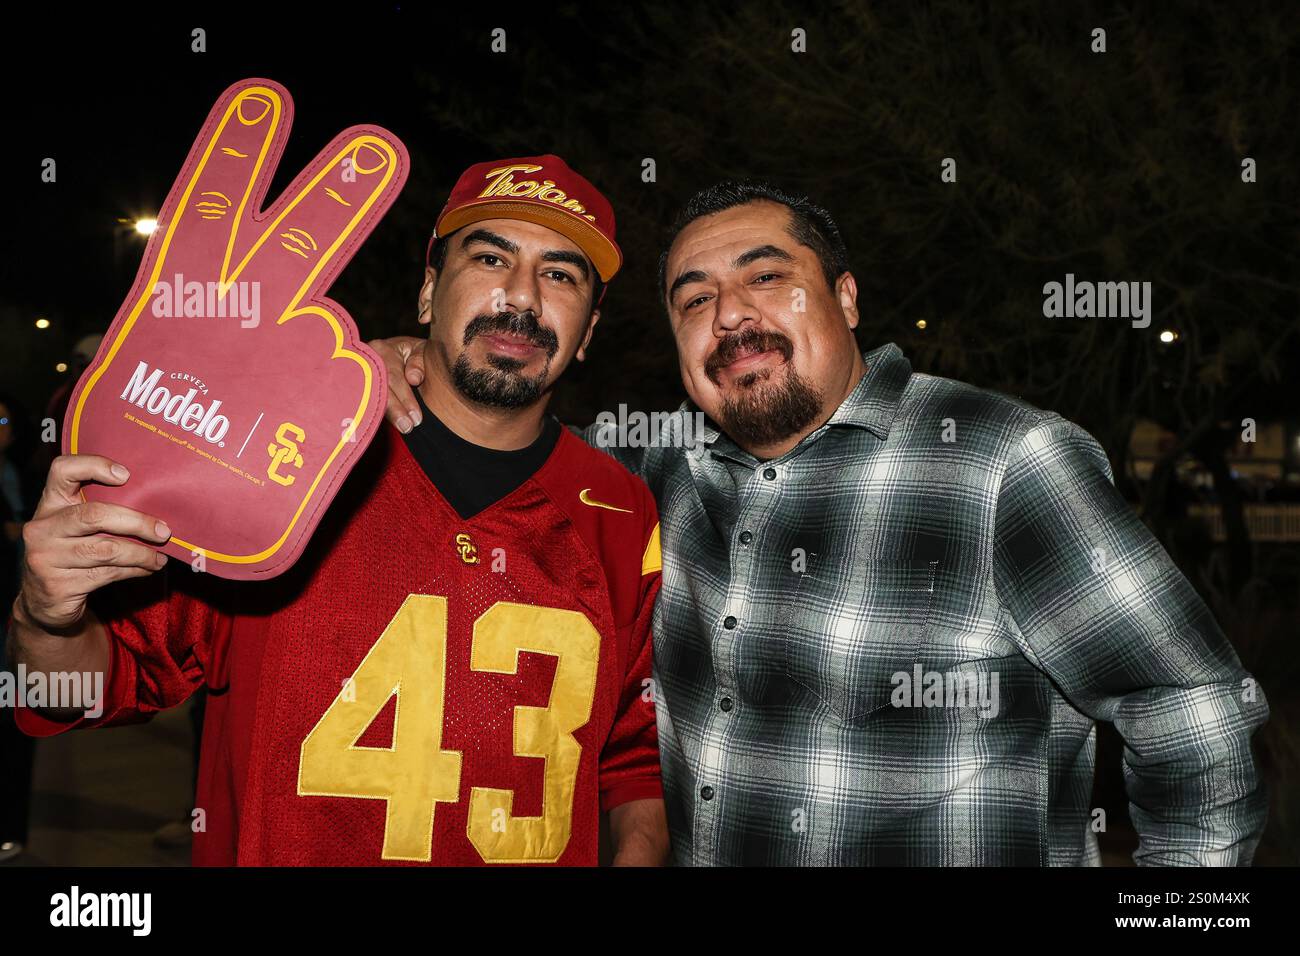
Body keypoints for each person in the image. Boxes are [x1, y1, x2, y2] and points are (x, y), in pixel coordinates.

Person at [375, 181, 1269, 866]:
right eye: (694, 299)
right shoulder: (650, 482)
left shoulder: (1003, 463)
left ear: (843, 297)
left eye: (768, 278)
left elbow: (1190, 710)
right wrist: (394, 366)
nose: (731, 316)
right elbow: (500, 430)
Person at [9, 155, 669, 866]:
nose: (522, 296)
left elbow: (634, 756)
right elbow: (81, 686)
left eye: (561, 274)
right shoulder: (284, 460)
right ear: (427, 293)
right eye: (490, 258)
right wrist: (45, 616)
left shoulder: (623, 508)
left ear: (590, 329)